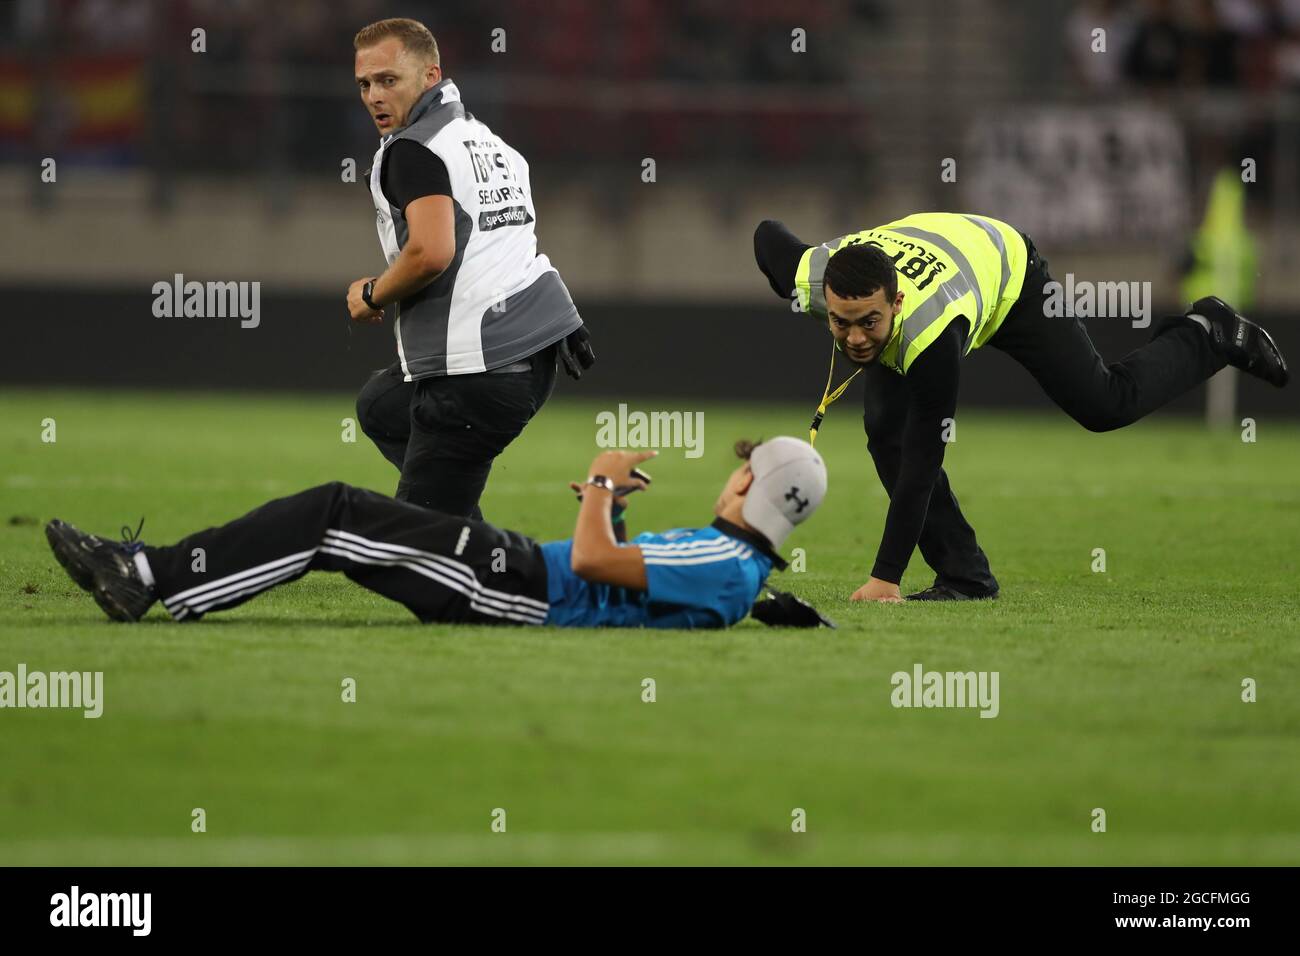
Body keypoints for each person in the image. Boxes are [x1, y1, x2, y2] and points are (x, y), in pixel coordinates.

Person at [753, 213, 1289, 604]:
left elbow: (924, 459)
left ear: (895, 303)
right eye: (841, 322)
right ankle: (965, 578)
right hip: (941, 246)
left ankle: (1208, 333)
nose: (854, 338)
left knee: (1103, 404)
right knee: (884, 430)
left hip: (1006, 267)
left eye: (869, 322)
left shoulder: (930, 334)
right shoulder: (810, 275)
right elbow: (765, 233)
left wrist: (885, 578)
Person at [44, 439, 828, 630]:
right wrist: (612, 505)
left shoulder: (727, 566)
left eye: (742, 469)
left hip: (509, 586)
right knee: (336, 513)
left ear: (748, 485)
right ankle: (151, 571)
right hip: (513, 571)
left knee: (332, 515)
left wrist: (599, 480)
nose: (731, 475)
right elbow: (620, 569)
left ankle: (147, 577)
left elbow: (592, 563)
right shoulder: (734, 568)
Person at [347, 18, 594, 520]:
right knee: (381, 406)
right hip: (532, 356)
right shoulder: (490, 142)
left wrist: (372, 293)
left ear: (430, 76)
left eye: (389, 80)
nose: (375, 96)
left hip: (479, 371)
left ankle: (472, 540)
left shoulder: (413, 150)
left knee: (417, 540)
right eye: (365, 84)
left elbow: (430, 253)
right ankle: (458, 519)